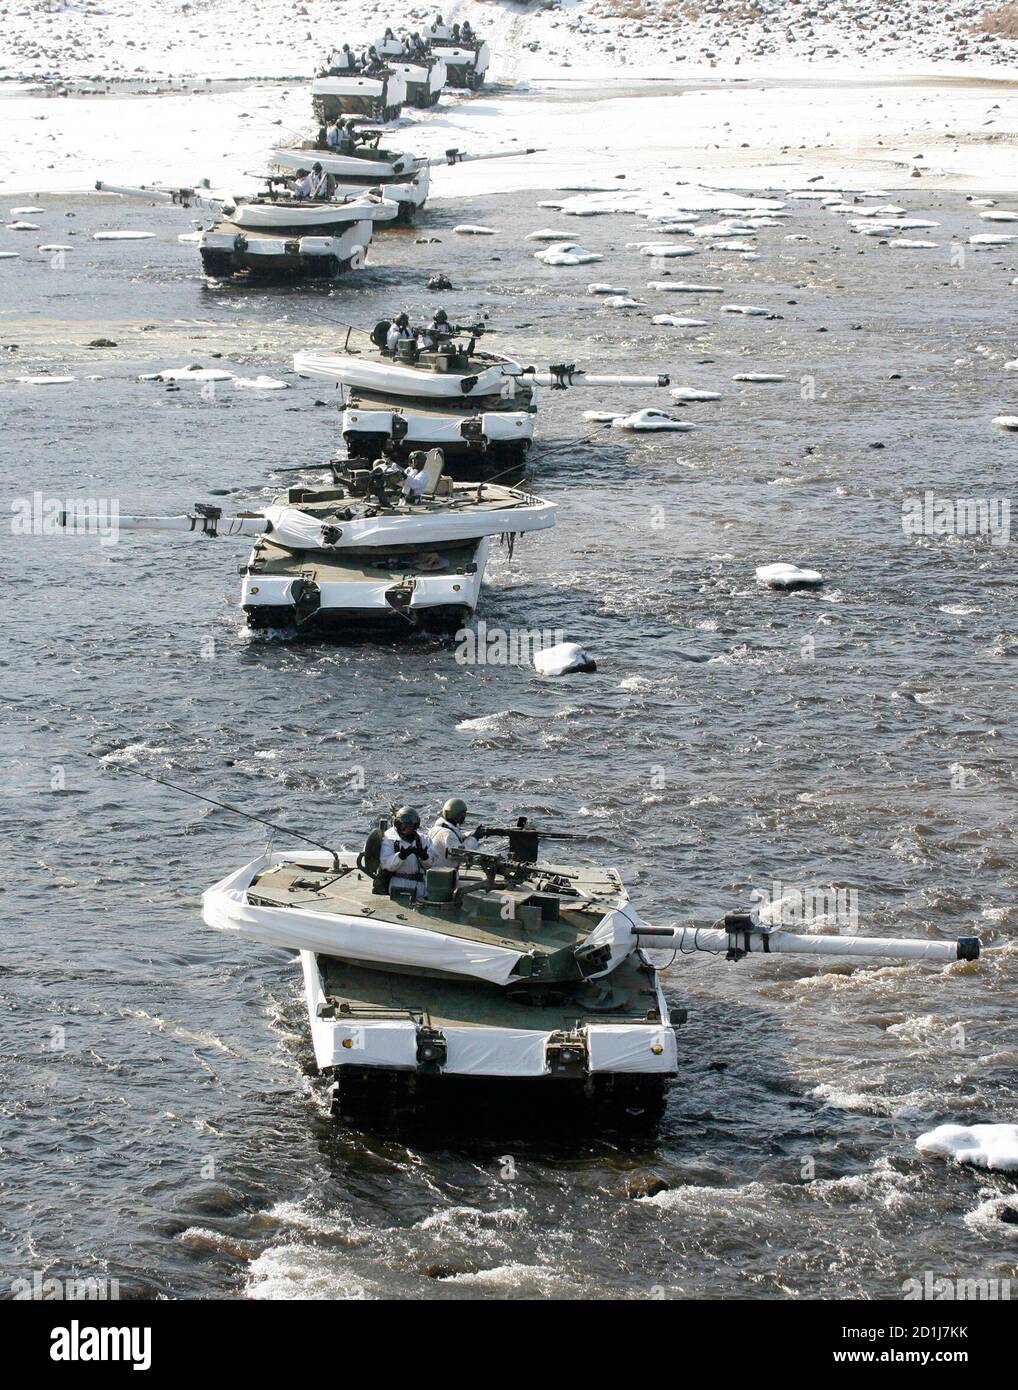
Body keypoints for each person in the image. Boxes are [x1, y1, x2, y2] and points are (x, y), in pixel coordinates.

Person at [379, 807, 435, 898]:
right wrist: (400, 856)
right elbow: (386, 864)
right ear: (398, 824)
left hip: (420, 886)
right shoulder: (389, 839)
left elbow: (433, 863)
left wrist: (425, 857)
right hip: (398, 884)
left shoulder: (423, 839)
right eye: (404, 825)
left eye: (410, 825)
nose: (407, 828)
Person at [429, 799, 487, 869]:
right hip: (444, 873)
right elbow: (462, 853)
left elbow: (455, 839)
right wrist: (475, 837)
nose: (464, 817)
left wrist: (470, 834)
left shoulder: (435, 829)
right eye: (463, 814)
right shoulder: (448, 834)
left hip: (434, 868)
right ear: (457, 816)